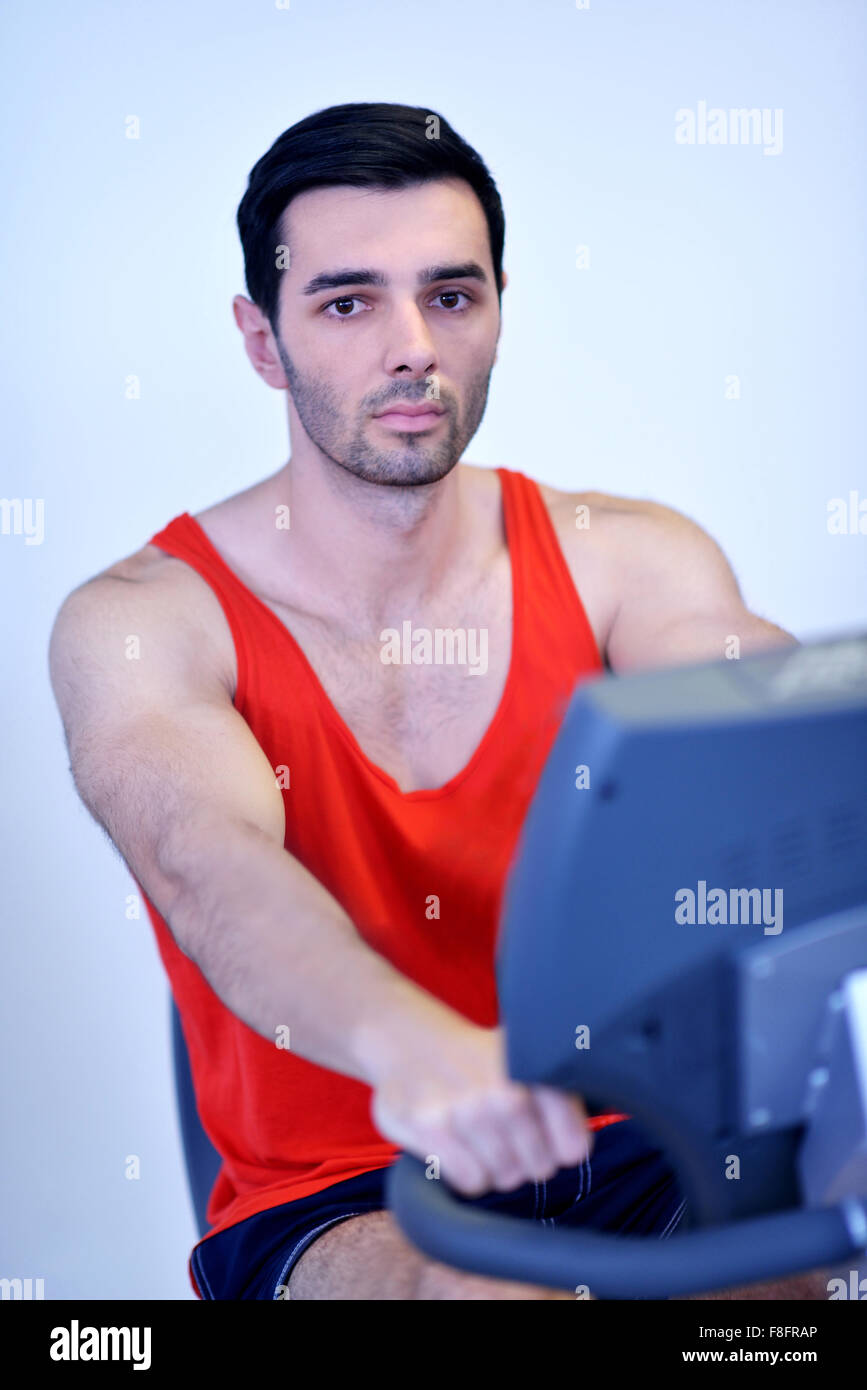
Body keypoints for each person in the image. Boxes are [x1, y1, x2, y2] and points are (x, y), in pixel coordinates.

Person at [48, 102, 824, 1301]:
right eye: (349, 302)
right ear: (264, 339)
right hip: (343, 1192)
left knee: (793, 1274)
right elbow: (207, 863)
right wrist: (427, 1054)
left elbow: (787, 742)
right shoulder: (144, 622)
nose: (411, 345)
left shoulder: (631, 562)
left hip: (643, 1145)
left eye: (451, 296)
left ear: (499, 310)